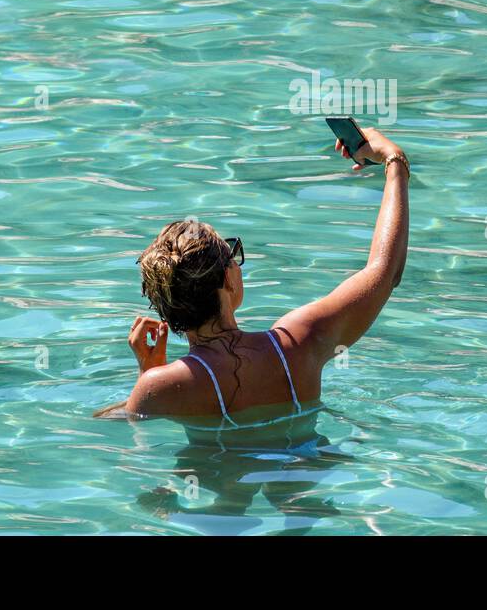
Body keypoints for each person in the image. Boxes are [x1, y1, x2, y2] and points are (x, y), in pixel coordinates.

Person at [94, 127, 409, 442]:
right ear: (228, 279)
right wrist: (394, 162)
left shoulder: (162, 387)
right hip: (303, 476)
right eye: (233, 255)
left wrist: (148, 373)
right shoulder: (297, 343)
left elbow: (118, 422)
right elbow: (384, 271)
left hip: (216, 480)